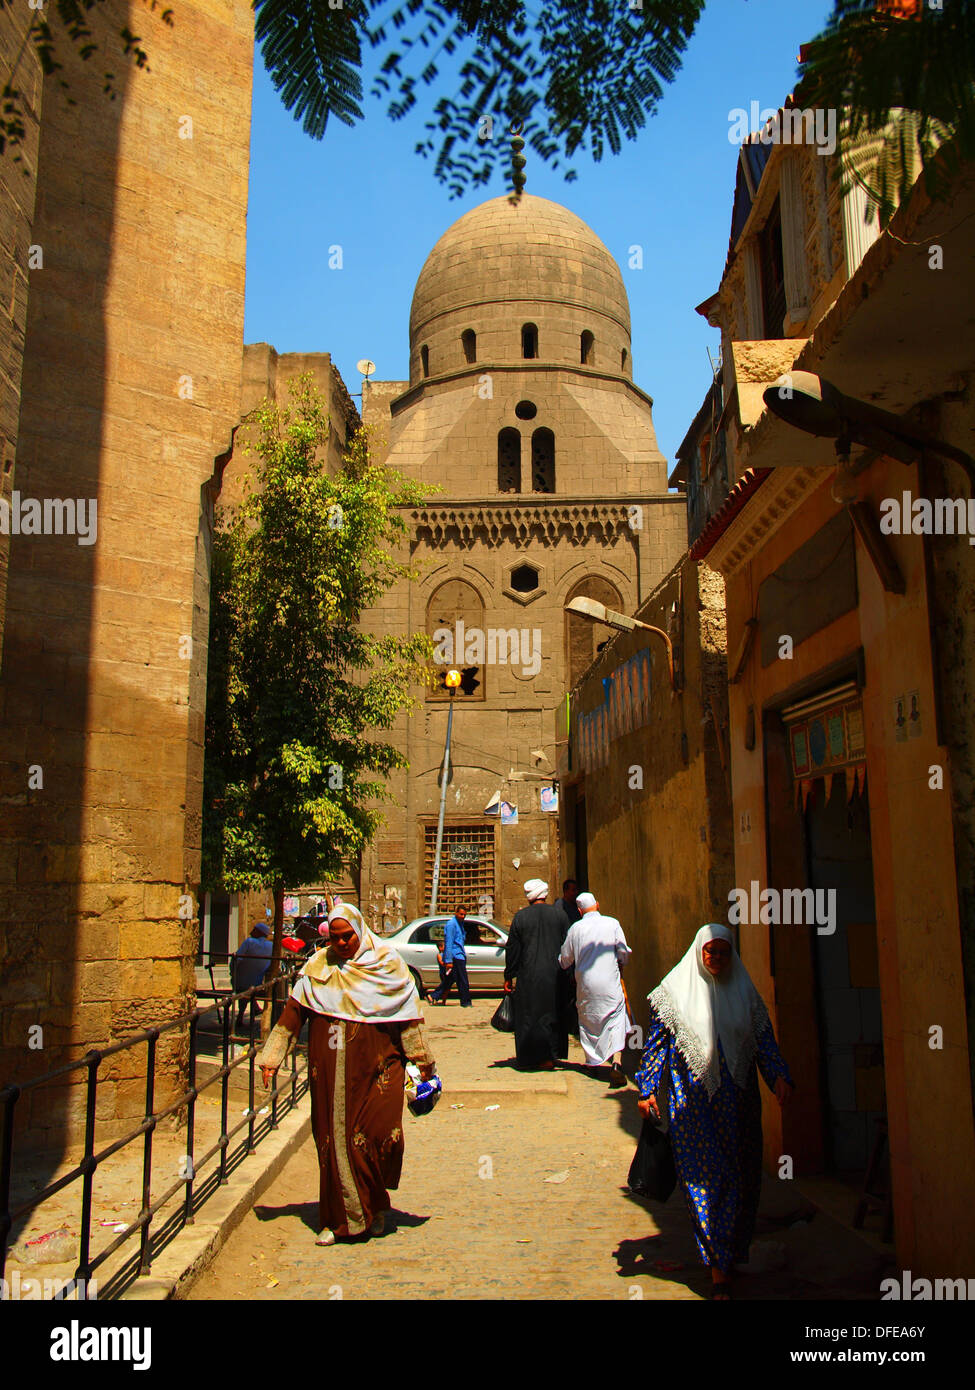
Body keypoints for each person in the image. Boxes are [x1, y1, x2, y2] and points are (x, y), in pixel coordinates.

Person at [257, 903, 437, 1246]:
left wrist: (423, 1062)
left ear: (360, 930)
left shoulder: (387, 966)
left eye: (347, 936)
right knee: (334, 1141)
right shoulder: (318, 967)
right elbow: (294, 1015)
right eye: (335, 938)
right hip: (329, 1071)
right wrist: (272, 1057)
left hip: (379, 1068)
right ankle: (341, 1221)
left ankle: (374, 1204)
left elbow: (408, 1020)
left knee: (380, 1134)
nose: (341, 944)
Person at [635, 923, 794, 1300]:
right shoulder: (674, 993)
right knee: (703, 1181)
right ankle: (718, 1267)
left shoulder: (745, 995)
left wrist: (779, 1078)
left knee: (739, 1178)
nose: (717, 959)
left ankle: (728, 1250)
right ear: (699, 953)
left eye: (723, 952)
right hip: (692, 1108)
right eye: (711, 952)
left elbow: (764, 1043)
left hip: (738, 1107)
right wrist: (646, 1090)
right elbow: (656, 1046)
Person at [558, 892, 631, 1086]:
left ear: (580, 910)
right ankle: (616, 1062)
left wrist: (559, 961)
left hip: (586, 984)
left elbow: (565, 959)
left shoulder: (576, 928)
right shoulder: (612, 923)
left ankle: (592, 1062)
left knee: (589, 1021)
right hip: (609, 981)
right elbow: (623, 951)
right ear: (597, 905)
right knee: (616, 1019)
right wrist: (621, 961)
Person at [503, 880, 570, 1071]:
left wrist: (509, 975)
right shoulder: (560, 915)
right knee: (552, 1013)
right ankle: (549, 1057)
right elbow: (568, 945)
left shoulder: (521, 917)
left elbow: (512, 949)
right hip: (555, 974)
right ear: (545, 894)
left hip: (528, 975)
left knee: (528, 1015)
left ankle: (528, 1056)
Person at [231, 921, 273, 1033]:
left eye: (254, 930)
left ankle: (244, 1013)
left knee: (243, 989)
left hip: (240, 980)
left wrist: (232, 971)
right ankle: (253, 1008)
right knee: (249, 989)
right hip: (257, 981)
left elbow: (237, 959)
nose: (251, 932)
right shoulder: (271, 946)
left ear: (259, 932)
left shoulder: (249, 942)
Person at [428, 906, 472, 1006]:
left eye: (464, 914)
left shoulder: (460, 924)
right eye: (461, 914)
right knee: (463, 980)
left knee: (450, 979)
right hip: (455, 956)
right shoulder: (452, 925)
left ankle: (433, 996)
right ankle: (466, 1001)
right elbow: (449, 942)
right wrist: (448, 960)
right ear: (456, 913)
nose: (463, 916)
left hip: (460, 954)